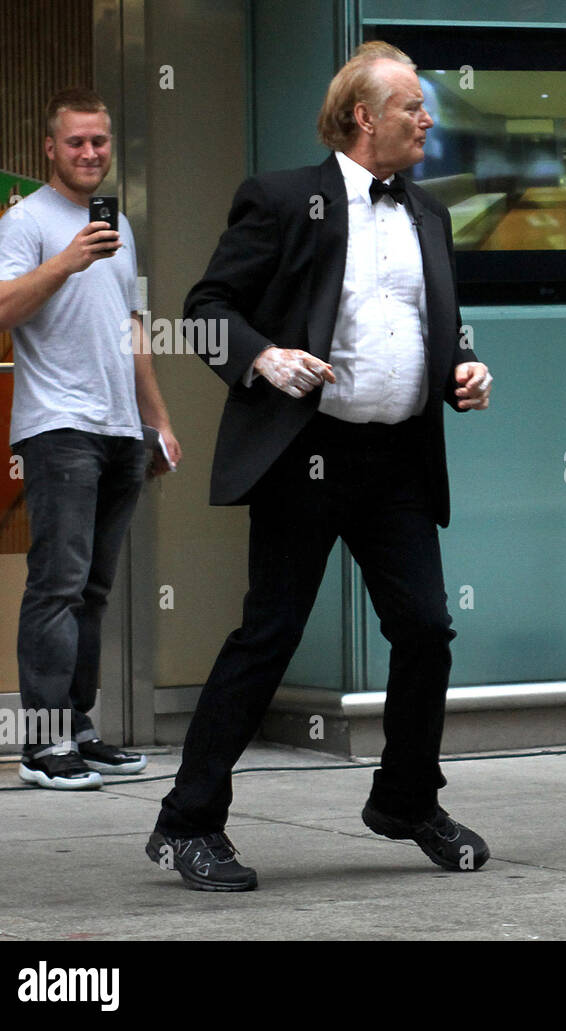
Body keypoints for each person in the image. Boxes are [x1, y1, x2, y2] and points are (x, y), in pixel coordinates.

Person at [146, 41, 494, 891]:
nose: (428, 118)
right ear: (363, 116)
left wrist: (464, 368)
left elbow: (425, 323)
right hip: (307, 453)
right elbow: (204, 310)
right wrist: (265, 360)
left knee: (425, 631)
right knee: (270, 634)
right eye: (413, 105)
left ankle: (406, 799)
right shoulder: (279, 198)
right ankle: (188, 822)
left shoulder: (432, 213)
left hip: (400, 459)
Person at [0, 87, 180, 791]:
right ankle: (41, 742)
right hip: (58, 428)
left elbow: (133, 330)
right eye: (75, 142)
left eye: (99, 141)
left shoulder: (117, 223)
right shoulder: (26, 221)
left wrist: (155, 421)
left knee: (93, 589)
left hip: (118, 428)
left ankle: (79, 726)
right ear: (50, 148)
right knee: (57, 586)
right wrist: (66, 259)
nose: (90, 153)